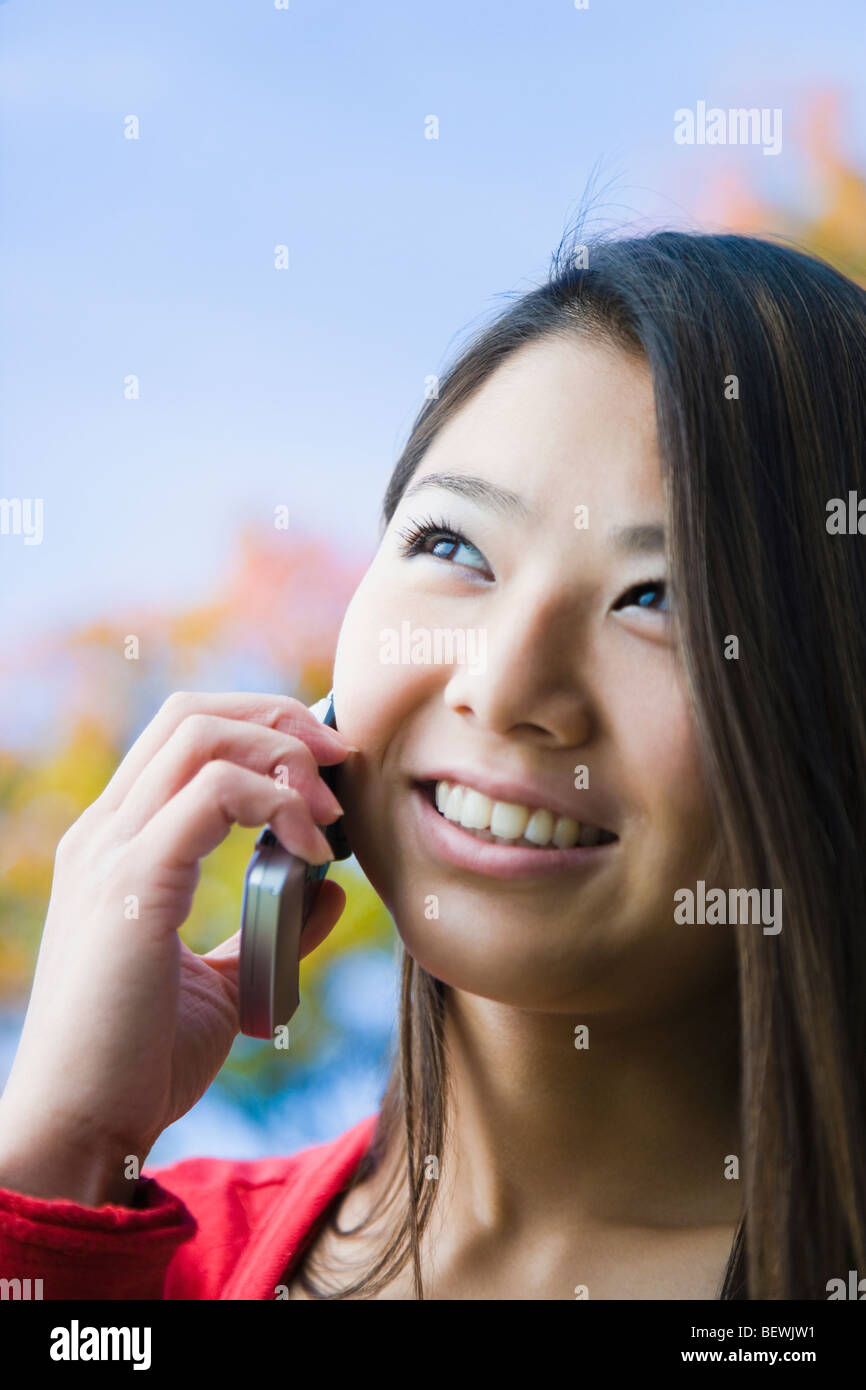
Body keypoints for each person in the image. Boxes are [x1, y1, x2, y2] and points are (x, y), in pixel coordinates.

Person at [1, 228, 864, 1300]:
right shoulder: (136, 1258)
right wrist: (64, 1159)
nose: (500, 688)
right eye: (453, 547)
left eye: (661, 598)